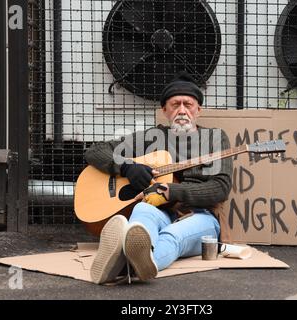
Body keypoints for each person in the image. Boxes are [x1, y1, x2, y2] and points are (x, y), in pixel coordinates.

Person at [85, 72, 233, 284]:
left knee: (173, 235)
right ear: (164, 110)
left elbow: (220, 188)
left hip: (202, 217)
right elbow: (96, 150)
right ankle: (130, 257)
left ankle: (124, 264)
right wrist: (126, 167)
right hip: (161, 211)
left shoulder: (215, 139)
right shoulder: (153, 137)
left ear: (198, 110)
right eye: (175, 104)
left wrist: (172, 191)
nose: (182, 110)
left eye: (188, 104)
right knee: (141, 210)